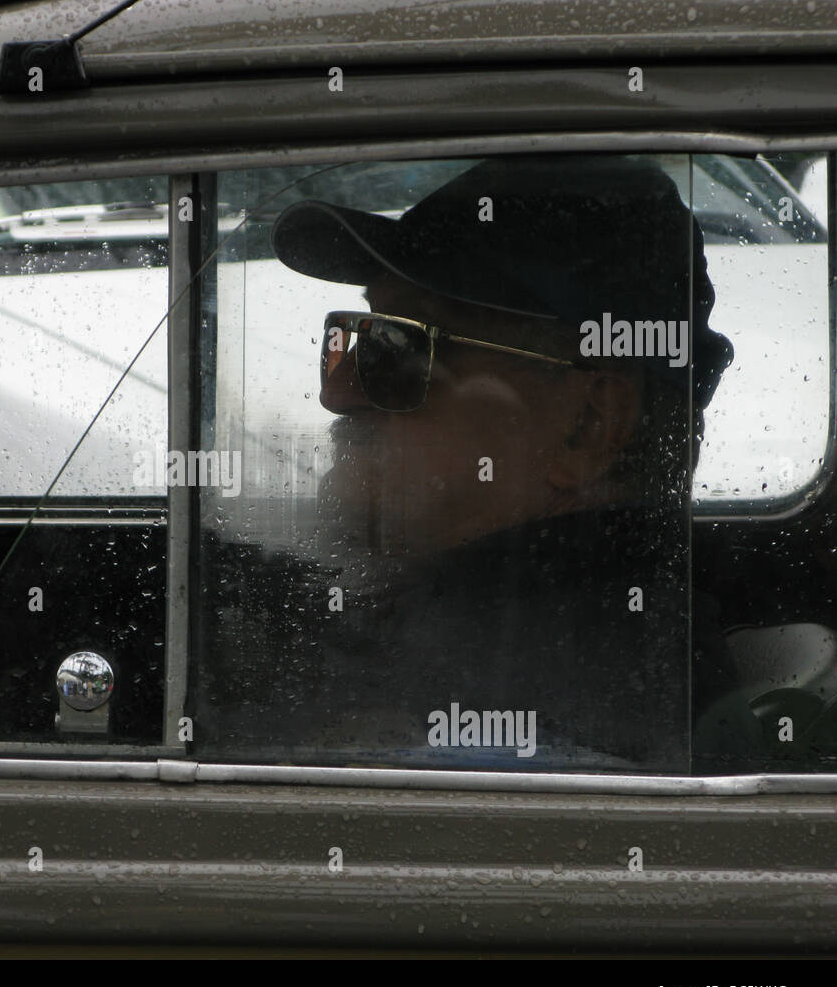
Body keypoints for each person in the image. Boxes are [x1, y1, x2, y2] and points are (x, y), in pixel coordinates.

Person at [193, 155, 735, 770]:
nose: (337, 392)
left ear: (587, 427)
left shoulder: (523, 711)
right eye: (349, 339)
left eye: (395, 347)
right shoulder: (533, 614)